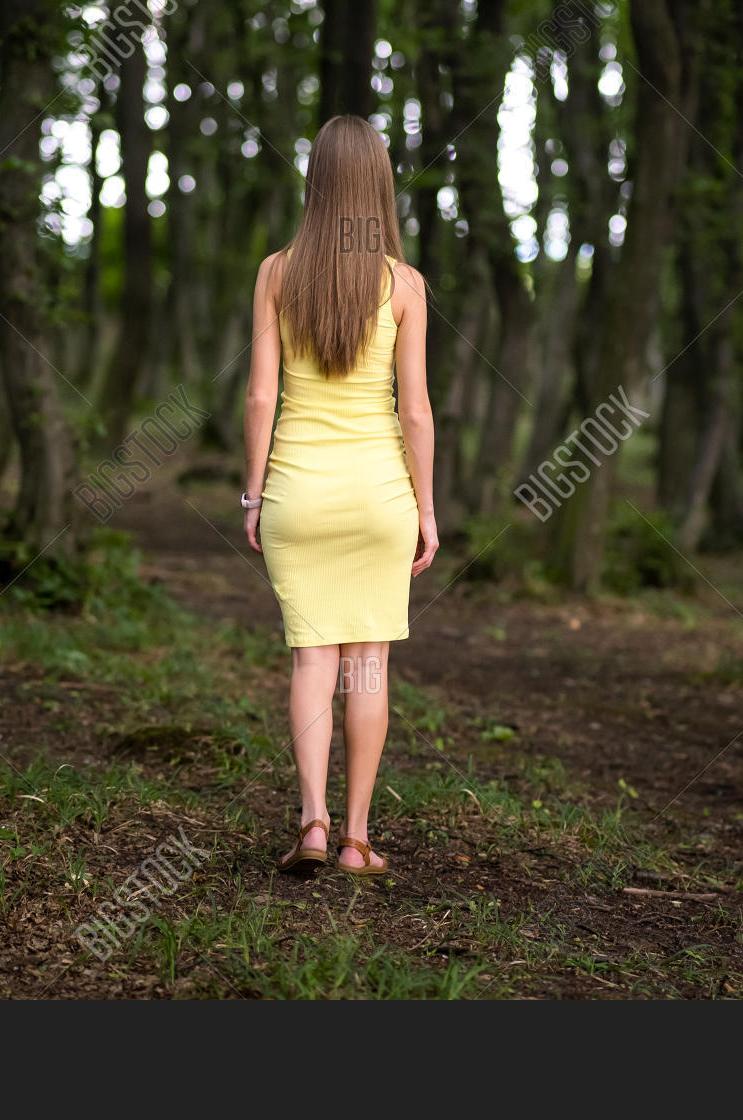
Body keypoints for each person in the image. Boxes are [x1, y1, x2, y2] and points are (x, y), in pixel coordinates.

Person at [240, 115, 438, 876]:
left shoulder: (276, 273)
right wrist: (425, 508)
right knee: (367, 667)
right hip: (378, 497)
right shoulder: (403, 285)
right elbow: (414, 410)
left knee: (310, 664)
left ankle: (312, 825)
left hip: (299, 494)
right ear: (378, 185)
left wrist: (253, 497)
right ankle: (358, 837)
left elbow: (262, 398)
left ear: (317, 183)